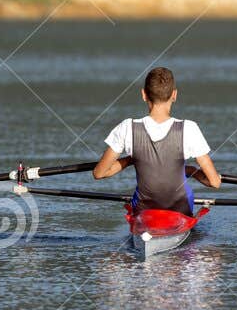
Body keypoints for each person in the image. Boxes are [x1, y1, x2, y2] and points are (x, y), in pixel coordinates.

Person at [94, 67, 221, 215]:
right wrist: (189, 171)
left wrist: (131, 160)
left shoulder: (127, 127)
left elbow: (100, 173)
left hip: (144, 211)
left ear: (143, 94)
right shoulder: (189, 128)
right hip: (180, 209)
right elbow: (214, 182)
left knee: (138, 196)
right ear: (174, 95)